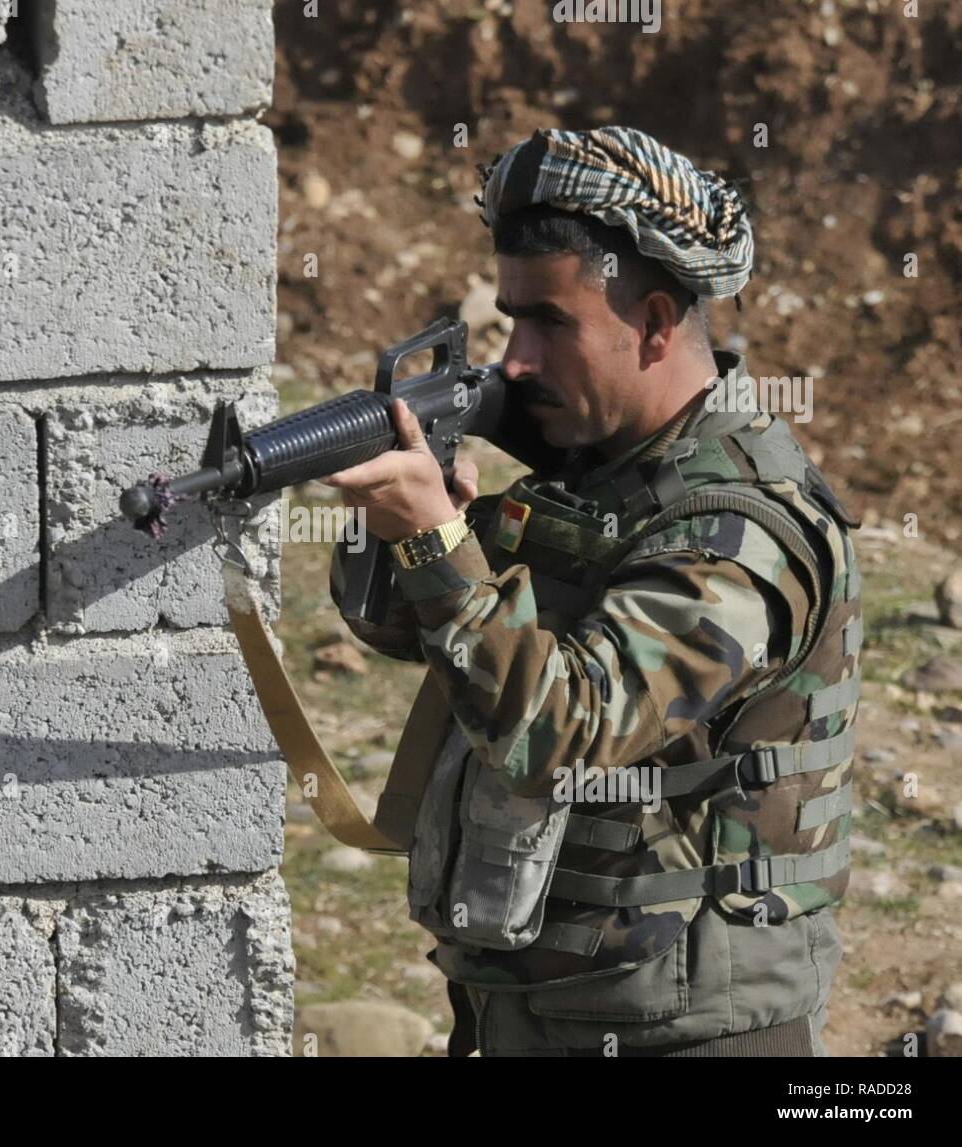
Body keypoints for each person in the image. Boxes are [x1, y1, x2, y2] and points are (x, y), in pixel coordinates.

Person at [324, 126, 861, 1057]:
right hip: (535, 1013)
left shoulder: (739, 530)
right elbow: (407, 634)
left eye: (550, 322)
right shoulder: (596, 476)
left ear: (654, 322)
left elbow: (562, 732)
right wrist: (422, 535)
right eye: (510, 319)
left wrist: (437, 545)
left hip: (689, 1032)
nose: (518, 359)